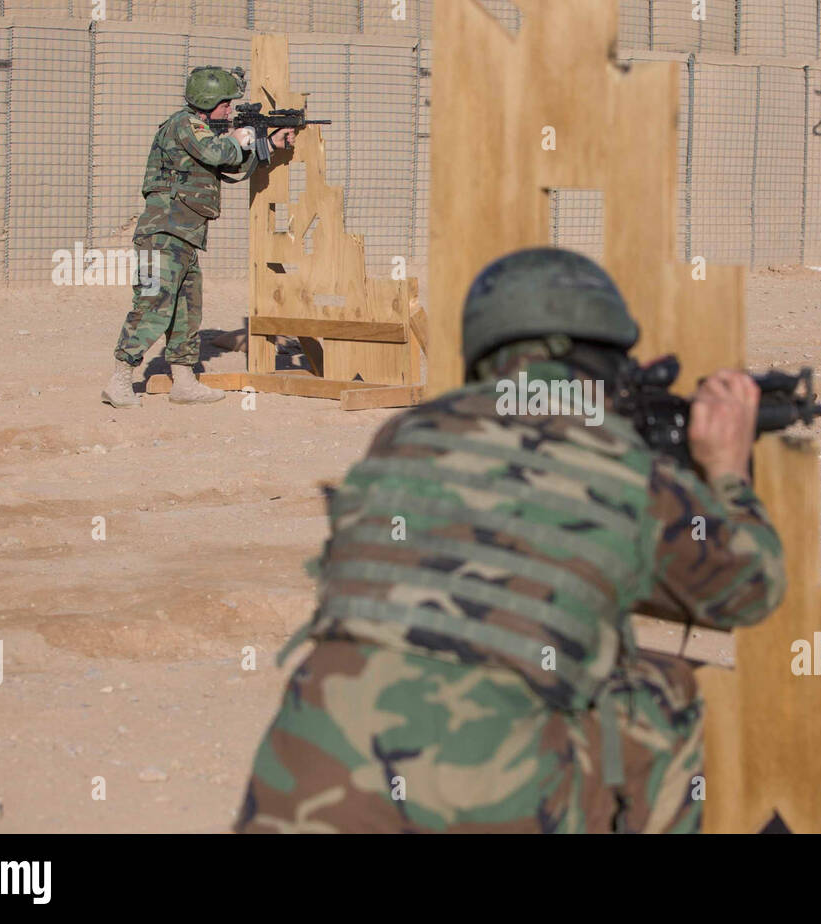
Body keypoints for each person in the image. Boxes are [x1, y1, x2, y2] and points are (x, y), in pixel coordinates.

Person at [234, 247, 786, 833]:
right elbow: (750, 590)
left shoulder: (406, 433)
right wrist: (726, 471)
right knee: (668, 695)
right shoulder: (620, 466)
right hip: (484, 796)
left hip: (301, 783)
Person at [101, 65, 294, 407]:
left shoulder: (204, 131)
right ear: (208, 101)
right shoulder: (184, 125)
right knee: (153, 305)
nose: (229, 110)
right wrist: (240, 137)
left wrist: (269, 144)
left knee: (188, 311)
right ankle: (119, 380)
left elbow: (231, 166)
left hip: (187, 236)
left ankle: (184, 382)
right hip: (163, 234)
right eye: (225, 103)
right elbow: (217, 153)